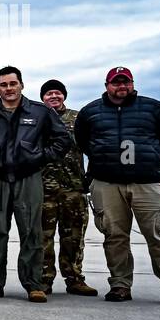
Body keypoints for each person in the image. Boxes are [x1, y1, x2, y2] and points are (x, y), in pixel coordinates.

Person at [74, 66, 160, 305]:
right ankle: (120, 284)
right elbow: (83, 141)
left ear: (132, 84)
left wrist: (149, 155)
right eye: (116, 83)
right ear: (107, 85)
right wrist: (104, 159)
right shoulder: (91, 112)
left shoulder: (154, 108)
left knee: (159, 235)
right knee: (114, 236)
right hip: (107, 183)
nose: (122, 87)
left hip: (147, 182)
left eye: (126, 82)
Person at [0, 66, 70, 302]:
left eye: (13, 84)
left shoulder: (40, 112)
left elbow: (63, 140)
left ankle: (34, 284)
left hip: (28, 178)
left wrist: (39, 157)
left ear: (21, 85)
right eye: (3, 85)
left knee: (31, 233)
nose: (9, 88)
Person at [39, 79, 96, 296]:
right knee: (43, 238)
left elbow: (94, 147)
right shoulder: (37, 119)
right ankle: (44, 279)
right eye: (49, 94)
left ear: (64, 95)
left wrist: (89, 176)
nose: (53, 96)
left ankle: (74, 279)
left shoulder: (78, 118)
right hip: (44, 188)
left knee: (73, 237)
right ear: (43, 97)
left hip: (74, 188)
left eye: (57, 93)